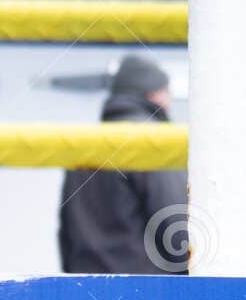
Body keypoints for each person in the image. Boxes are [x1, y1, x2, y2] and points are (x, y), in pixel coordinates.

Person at [58, 53, 189, 274]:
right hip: (143, 288)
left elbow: (67, 233)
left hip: (86, 285)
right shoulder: (155, 142)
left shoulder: (86, 145)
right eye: (167, 92)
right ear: (154, 94)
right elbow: (176, 226)